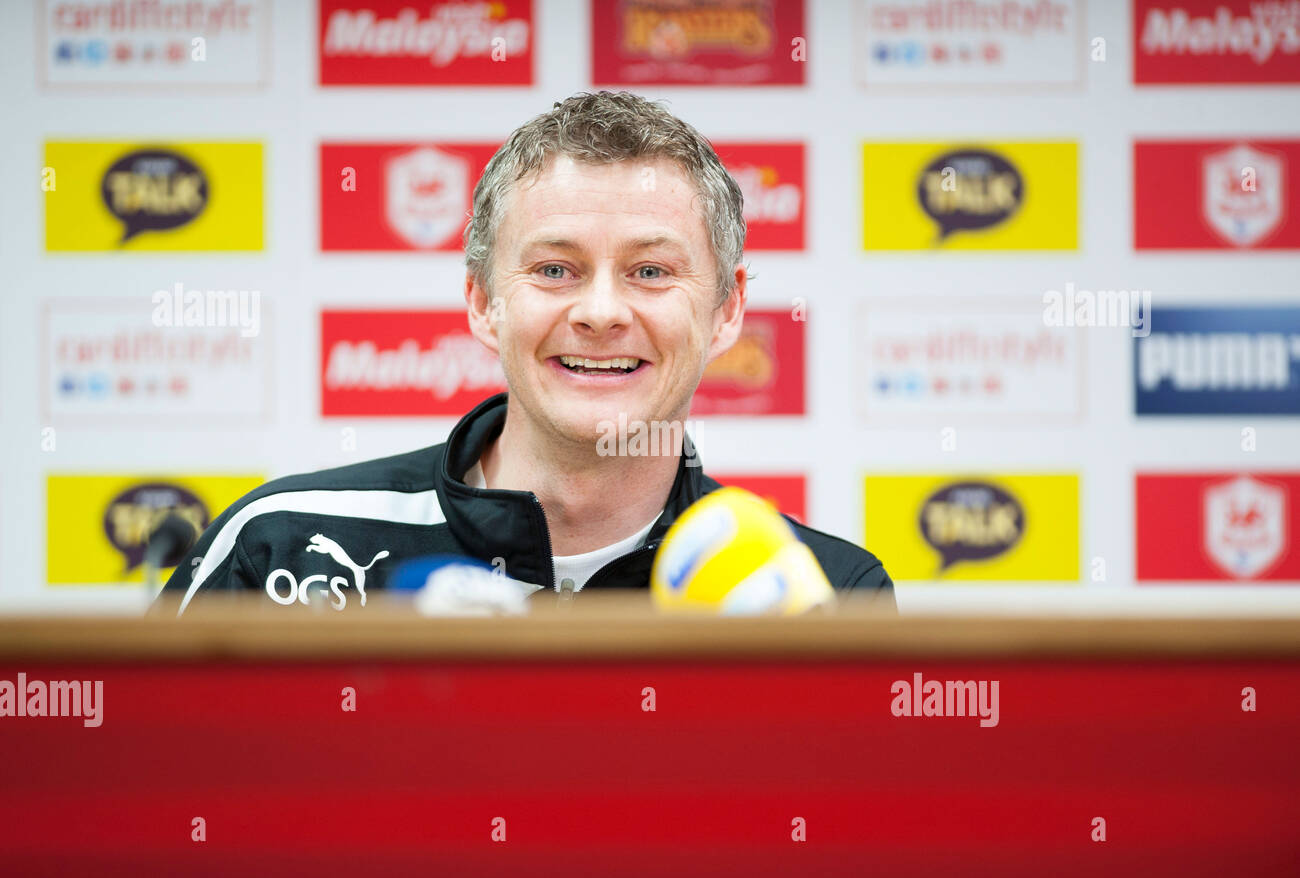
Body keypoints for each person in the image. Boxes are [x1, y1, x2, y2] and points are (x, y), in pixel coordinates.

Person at [159, 91, 894, 615]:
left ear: (727, 307)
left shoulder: (831, 593)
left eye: (650, 271)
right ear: (482, 301)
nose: (601, 313)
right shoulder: (280, 544)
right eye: (554, 270)